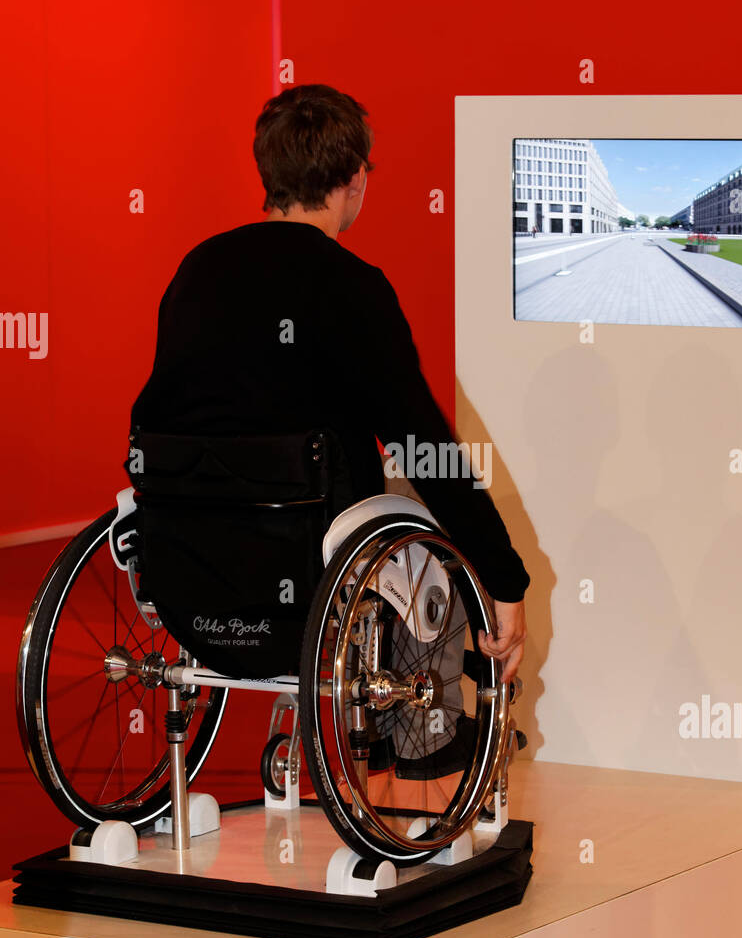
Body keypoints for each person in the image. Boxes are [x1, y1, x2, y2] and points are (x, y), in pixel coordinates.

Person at [131, 84, 528, 692]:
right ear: (355, 181)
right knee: (417, 503)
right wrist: (503, 576)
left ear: (269, 171)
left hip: (189, 567)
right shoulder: (353, 286)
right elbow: (419, 442)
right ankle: (431, 730)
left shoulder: (198, 268)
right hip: (302, 564)